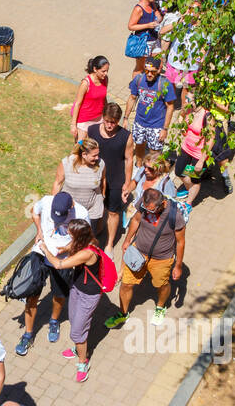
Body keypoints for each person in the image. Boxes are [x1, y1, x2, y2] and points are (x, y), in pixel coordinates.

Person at [38, 219, 117, 382]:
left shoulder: (87, 252)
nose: (68, 234)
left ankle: (83, 362)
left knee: (76, 332)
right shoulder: (85, 241)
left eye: (71, 233)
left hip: (89, 295)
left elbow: (59, 265)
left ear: (79, 236)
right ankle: (78, 348)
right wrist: (64, 248)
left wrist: (45, 249)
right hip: (76, 288)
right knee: (75, 321)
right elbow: (71, 247)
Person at [18, 191, 88, 356]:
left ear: (71, 207)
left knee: (59, 294)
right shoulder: (47, 201)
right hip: (41, 253)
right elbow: (35, 212)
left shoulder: (82, 213)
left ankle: (54, 320)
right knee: (31, 294)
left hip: (63, 259)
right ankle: (28, 334)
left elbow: (84, 239)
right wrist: (39, 230)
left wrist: (69, 248)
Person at [116, 188, 186, 327]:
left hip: (162, 258)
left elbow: (180, 242)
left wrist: (178, 266)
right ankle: (123, 314)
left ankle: (160, 307)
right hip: (138, 252)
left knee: (162, 285)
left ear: (163, 204)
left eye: (152, 211)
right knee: (126, 284)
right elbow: (136, 220)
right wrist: (127, 240)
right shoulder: (144, 203)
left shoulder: (175, 215)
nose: (148, 212)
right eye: (146, 209)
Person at [87, 103, 135, 250]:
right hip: (96, 178)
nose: (109, 125)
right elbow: (87, 150)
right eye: (107, 121)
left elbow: (129, 159)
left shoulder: (125, 137)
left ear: (118, 120)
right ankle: (98, 230)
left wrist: (127, 183)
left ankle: (109, 244)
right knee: (96, 208)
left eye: (113, 122)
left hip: (115, 180)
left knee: (113, 212)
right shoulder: (92, 130)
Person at [124, 56, 177, 164]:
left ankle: (152, 173)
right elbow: (132, 98)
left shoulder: (165, 84)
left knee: (155, 153)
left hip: (156, 125)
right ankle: (138, 166)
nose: (149, 74)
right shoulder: (138, 79)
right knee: (139, 145)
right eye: (147, 71)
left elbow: (170, 107)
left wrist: (165, 129)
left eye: (152, 72)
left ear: (158, 70)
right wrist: (125, 118)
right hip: (139, 122)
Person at [52, 138, 105, 237]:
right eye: (94, 155)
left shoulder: (100, 164)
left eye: (98, 154)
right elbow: (57, 183)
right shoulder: (67, 163)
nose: (97, 158)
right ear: (84, 154)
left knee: (87, 238)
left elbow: (103, 180)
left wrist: (103, 197)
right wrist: (55, 206)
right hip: (71, 211)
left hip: (92, 210)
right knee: (71, 238)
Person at [126, 0, 164, 76]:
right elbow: (131, 26)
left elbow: (159, 18)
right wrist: (148, 25)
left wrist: (159, 12)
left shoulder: (152, 4)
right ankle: (135, 87)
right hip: (143, 42)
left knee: (158, 63)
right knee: (141, 67)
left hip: (154, 39)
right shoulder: (139, 9)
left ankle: (151, 84)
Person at [69, 56, 109, 139]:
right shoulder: (86, 83)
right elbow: (77, 103)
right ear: (95, 69)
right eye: (103, 71)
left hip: (99, 119)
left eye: (107, 71)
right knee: (80, 146)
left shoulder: (105, 79)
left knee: (95, 147)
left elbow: (103, 98)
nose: (106, 74)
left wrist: (107, 112)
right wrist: (73, 125)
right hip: (84, 120)